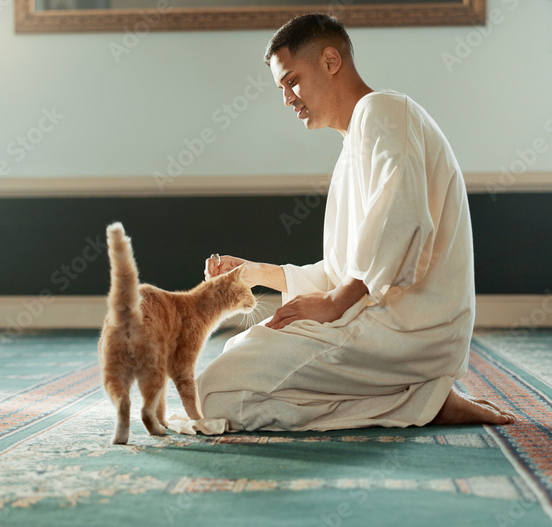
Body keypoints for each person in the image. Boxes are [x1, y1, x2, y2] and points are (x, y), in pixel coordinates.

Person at [190, 13, 516, 434]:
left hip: (410, 328)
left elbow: (403, 220)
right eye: (281, 88)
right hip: (375, 318)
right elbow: (344, 272)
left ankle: (424, 397)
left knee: (215, 394)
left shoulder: (383, 110)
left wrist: (335, 302)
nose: (287, 99)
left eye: (292, 81)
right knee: (236, 359)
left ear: (330, 61)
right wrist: (253, 274)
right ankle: (421, 399)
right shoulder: (355, 142)